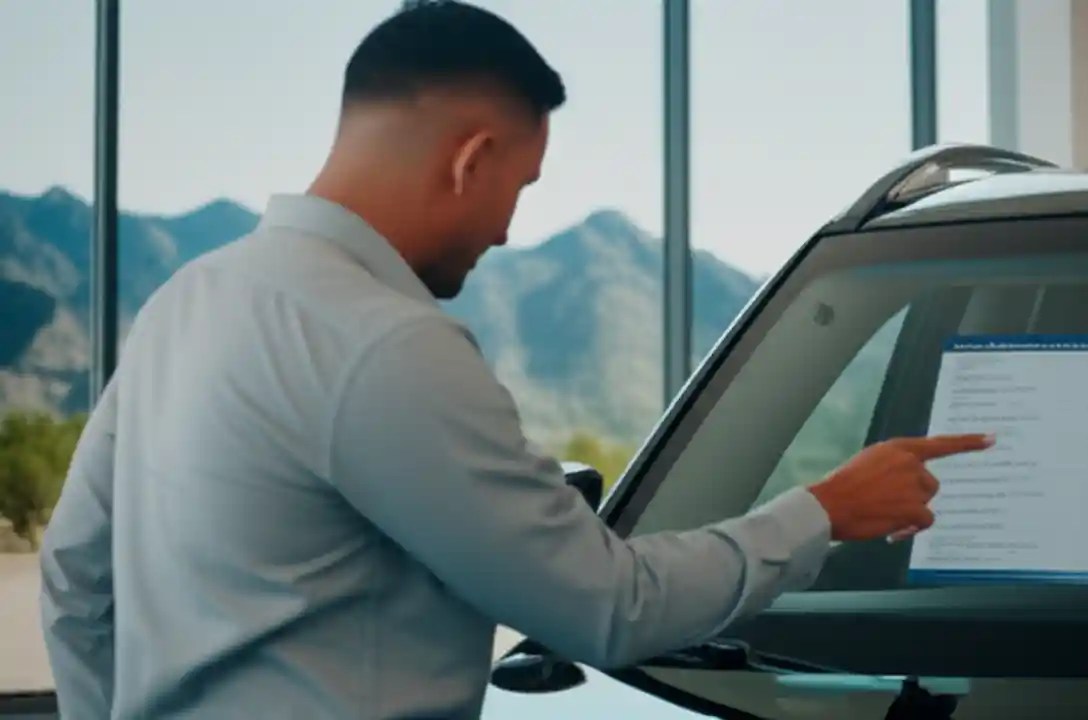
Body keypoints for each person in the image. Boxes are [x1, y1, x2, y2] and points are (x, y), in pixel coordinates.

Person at [38, 2, 992, 718]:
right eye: (520, 184)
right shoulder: (387, 344)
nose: (507, 226)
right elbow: (606, 607)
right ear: (470, 157)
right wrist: (826, 510)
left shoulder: (185, 303)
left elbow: (77, 580)